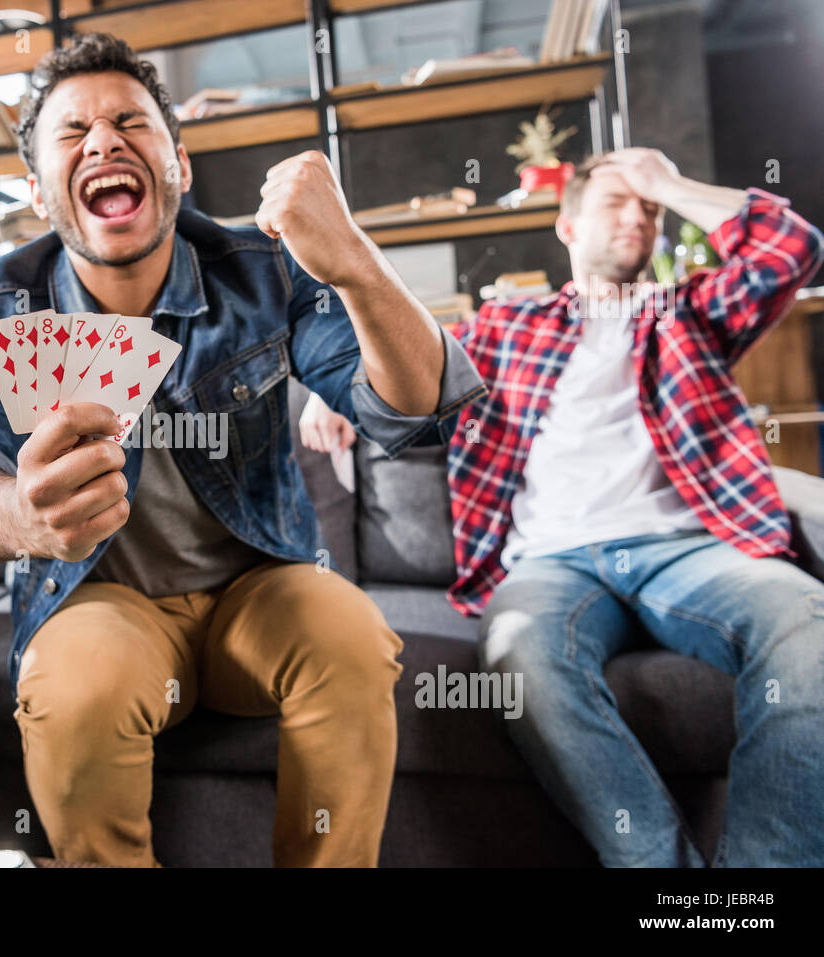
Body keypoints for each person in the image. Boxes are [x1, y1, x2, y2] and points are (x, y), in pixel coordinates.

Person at [0, 33, 485, 867]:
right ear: (35, 191)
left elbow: (417, 414)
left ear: (178, 165)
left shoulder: (263, 269)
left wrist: (356, 264)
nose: (104, 141)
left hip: (259, 587)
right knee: (76, 689)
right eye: (74, 133)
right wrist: (22, 516)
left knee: (350, 637)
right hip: (99, 599)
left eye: (131, 120)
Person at [298, 148, 824, 866]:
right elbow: (412, 377)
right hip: (552, 563)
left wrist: (662, 179)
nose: (637, 215)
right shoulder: (506, 325)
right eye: (616, 202)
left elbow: (792, 248)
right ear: (567, 225)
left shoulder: (690, 311)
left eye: (648, 209)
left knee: (810, 626)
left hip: (691, 550)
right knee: (521, 661)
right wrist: (343, 400)